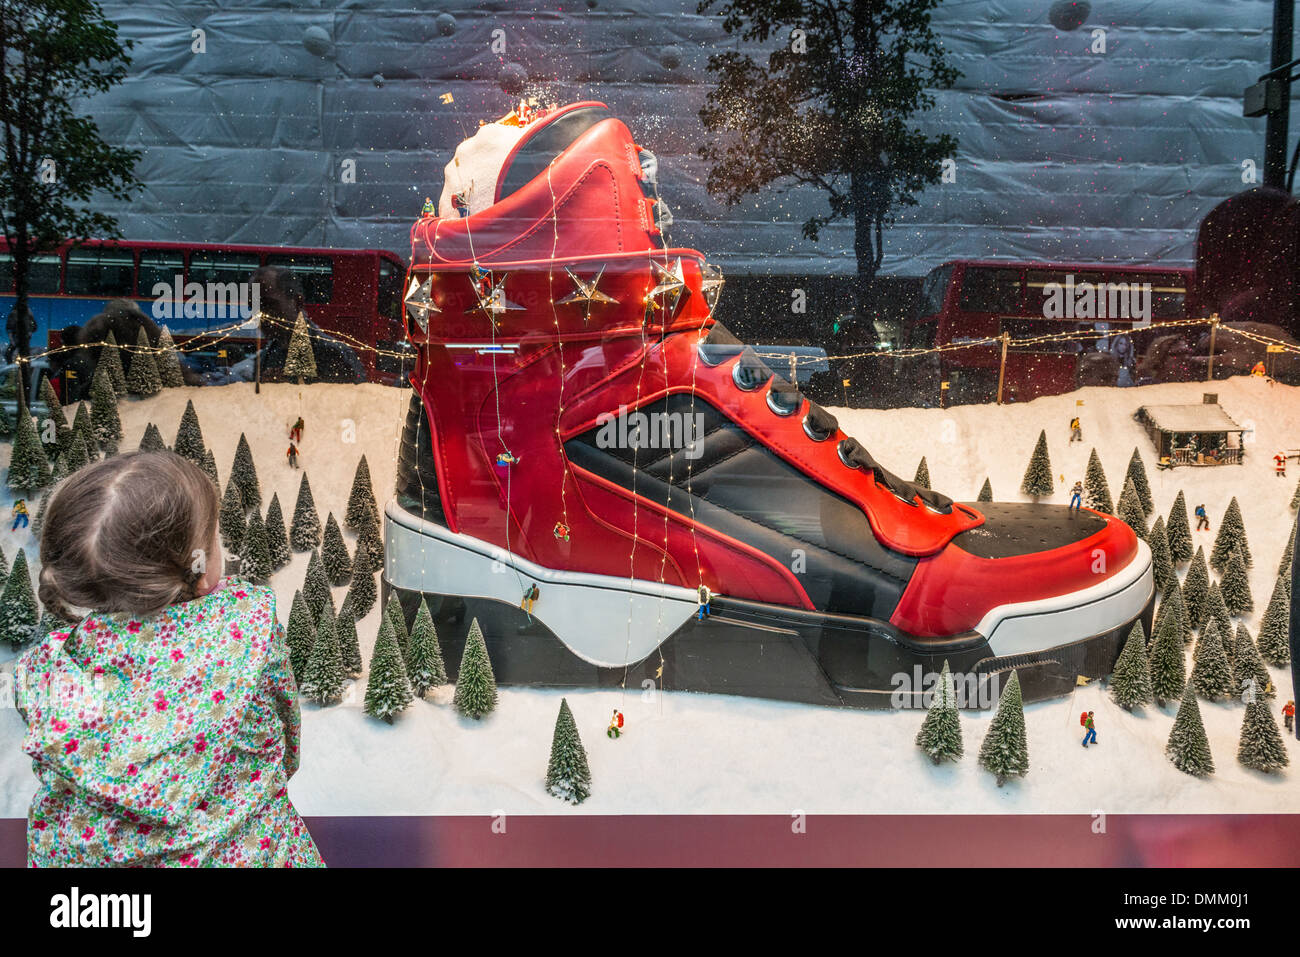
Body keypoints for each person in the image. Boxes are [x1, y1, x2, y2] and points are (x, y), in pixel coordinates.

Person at [13, 451, 322, 866]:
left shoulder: (47, 670)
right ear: (202, 572)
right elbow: (284, 739)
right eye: (214, 539)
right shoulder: (247, 623)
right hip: (251, 853)